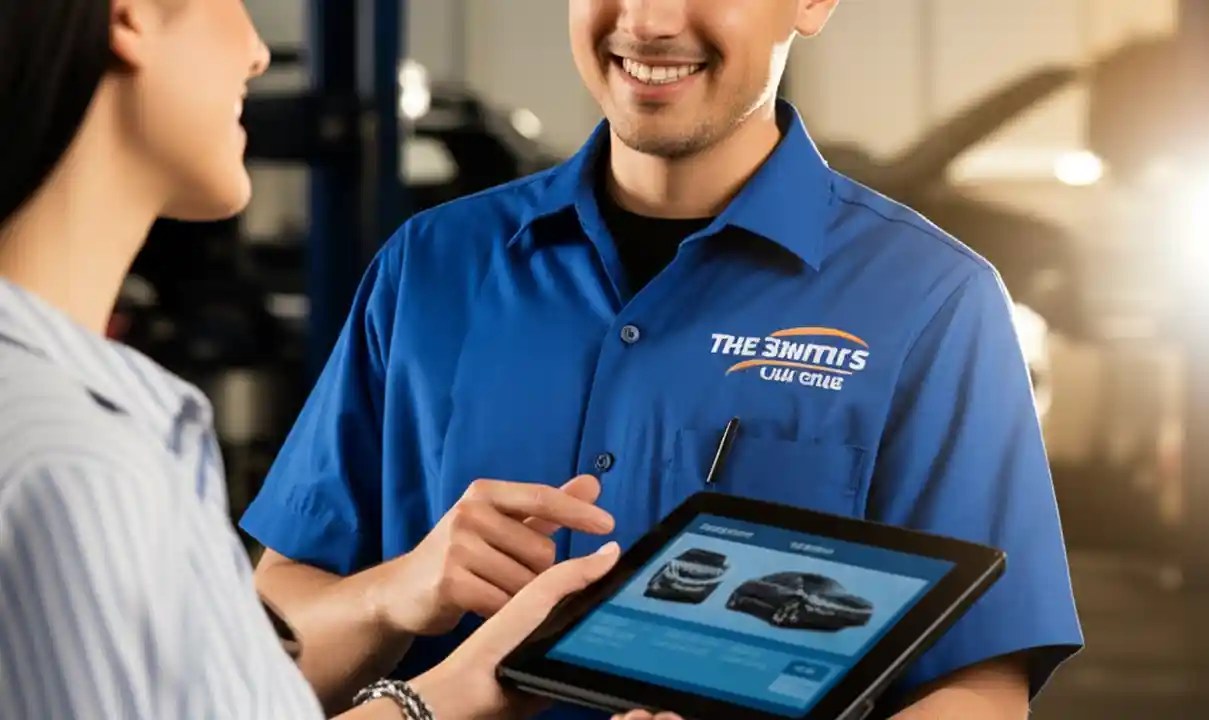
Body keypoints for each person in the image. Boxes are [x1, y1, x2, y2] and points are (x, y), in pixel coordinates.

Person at [243, 0, 1084, 718]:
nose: (647, 21)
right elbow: (264, 654)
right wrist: (401, 589)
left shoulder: (932, 303)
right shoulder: (429, 268)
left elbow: (977, 684)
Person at [0, 1, 659, 718]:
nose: (257, 52)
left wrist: (450, 681)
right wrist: (436, 690)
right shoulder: (73, 464)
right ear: (129, 16)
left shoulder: (100, 426)